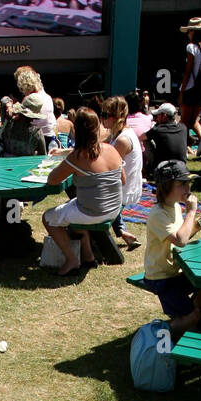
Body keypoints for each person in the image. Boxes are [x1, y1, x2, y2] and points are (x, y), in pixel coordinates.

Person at [42, 107, 124, 277]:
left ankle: (72, 259)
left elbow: (52, 180)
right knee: (73, 207)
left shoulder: (77, 156)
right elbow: (123, 180)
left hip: (93, 211)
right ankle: (88, 255)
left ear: (77, 130)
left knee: (48, 218)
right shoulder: (111, 149)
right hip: (114, 209)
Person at [140, 159, 201, 335]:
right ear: (167, 186)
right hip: (161, 278)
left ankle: (181, 322)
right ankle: (157, 334)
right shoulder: (158, 214)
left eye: (188, 183)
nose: (188, 189)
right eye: (182, 184)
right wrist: (191, 212)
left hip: (174, 272)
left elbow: (181, 235)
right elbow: (181, 240)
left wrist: (197, 225)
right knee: (193, 316)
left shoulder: (175, 207)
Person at [101, 96, 143, 250]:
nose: (101, 118)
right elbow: (96, 148)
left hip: (123, 190)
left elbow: (108, 169)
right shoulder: (117, 134)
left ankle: (90, 242)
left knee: (87, 197)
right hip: (122, 187)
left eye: (105, 115)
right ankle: (124, 232)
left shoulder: (122, 140)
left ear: (117, 117)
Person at [0, 94, 47, 158]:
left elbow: (4, 100)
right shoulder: (37, 132)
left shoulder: (9, 121)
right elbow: (43, 155)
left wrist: (9, 106)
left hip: (5, 163)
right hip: (26, 165)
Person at [13, 67, 56, 147]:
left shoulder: (30, 99)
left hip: (35, 141)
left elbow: (20, 124)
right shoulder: (47, 97)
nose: (20, 90)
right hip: (50, 139)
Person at [144, 103, 188, 174]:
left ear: (164, 116)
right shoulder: (183, 128)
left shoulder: (158, 130)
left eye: (158, 115)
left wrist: (155, 125)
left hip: (164, 167)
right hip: (182, 167)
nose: (157, 117)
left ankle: (151, 168)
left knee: (146, 141)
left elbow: (142, 137)